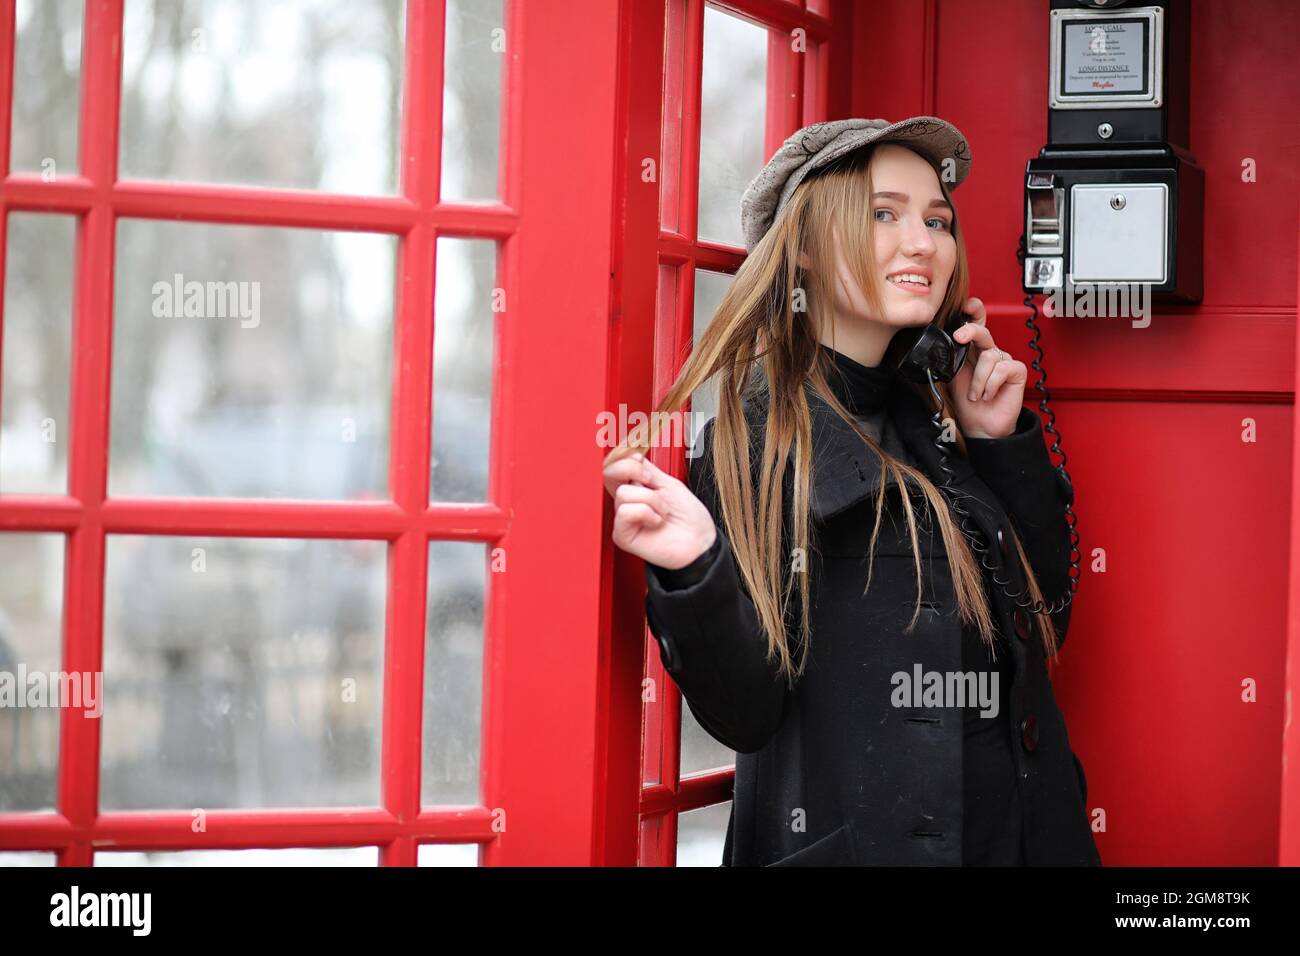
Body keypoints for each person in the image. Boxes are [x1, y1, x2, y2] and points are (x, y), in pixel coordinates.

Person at [602, 117, 1099, 867]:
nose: (924, 242)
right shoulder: (756, 436)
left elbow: (1046, 612)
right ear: (804, 244)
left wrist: (999, 443)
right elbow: (745, 711)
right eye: (884, 213)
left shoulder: (933, 415)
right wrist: (696, 566)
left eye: (938, 220)